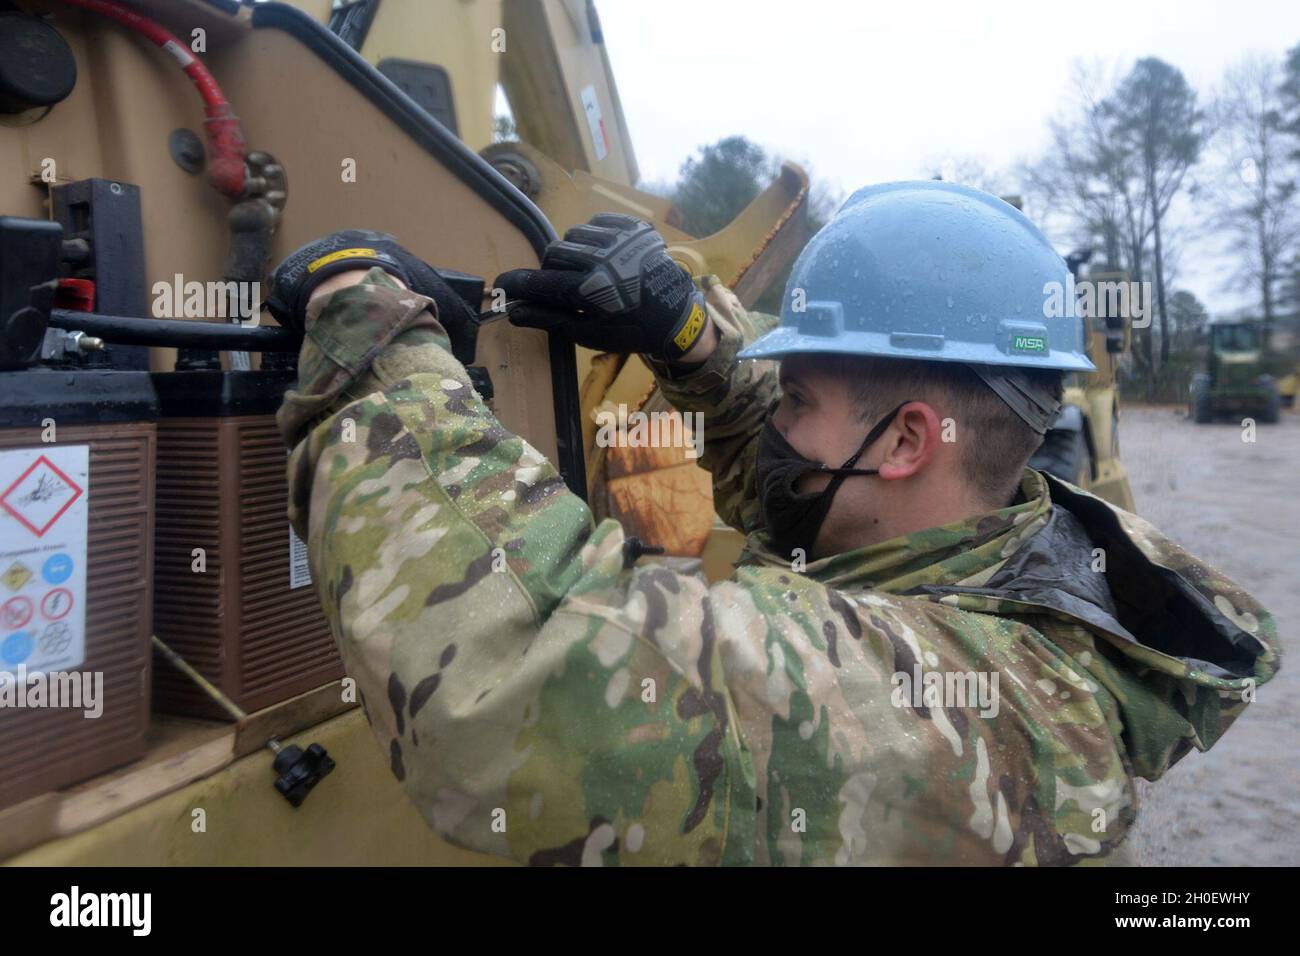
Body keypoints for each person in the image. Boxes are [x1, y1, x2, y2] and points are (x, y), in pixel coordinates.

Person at [268, 180, 1278, 866]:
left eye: (793, 395)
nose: (776, 421)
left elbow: (512, 666)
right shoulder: (983, 550)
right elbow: (810, 487)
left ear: (907, 440)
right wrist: (690, 341)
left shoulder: (952, 711)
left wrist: (372, 339)